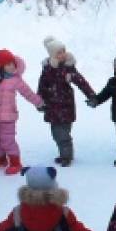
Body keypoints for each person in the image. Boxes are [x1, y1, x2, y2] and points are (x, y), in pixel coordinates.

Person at [0, 48, 43, 175]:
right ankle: (1, 158)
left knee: (7, 140)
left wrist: (39, 103)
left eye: (12, 63)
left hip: (8, 117)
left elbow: (27, 92)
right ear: (0, 66)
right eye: (7, 64)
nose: (11, 66)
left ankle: (15, 162)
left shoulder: (16, 79)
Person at [36, 37, 96, 168]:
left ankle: (66, 156)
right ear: (52, 55)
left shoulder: (69, 68)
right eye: (59, 52)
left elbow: (81, 82)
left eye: (63, 51)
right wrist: (39, 101)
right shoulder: (47, 69)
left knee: (63, 133)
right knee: (56, 133)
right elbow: (42, 85)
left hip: (66, 106)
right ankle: (64, 153)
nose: (62, 54)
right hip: (51, 106)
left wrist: (91, 95)